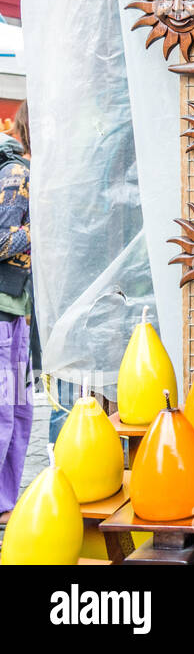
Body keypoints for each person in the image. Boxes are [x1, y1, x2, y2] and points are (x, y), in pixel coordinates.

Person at [0, 103, 32, 514]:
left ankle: (6, 504)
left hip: (14, 309)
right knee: (8, 412)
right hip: (4, 310)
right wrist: (43, 224)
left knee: (18, 411)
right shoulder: (16, 173)